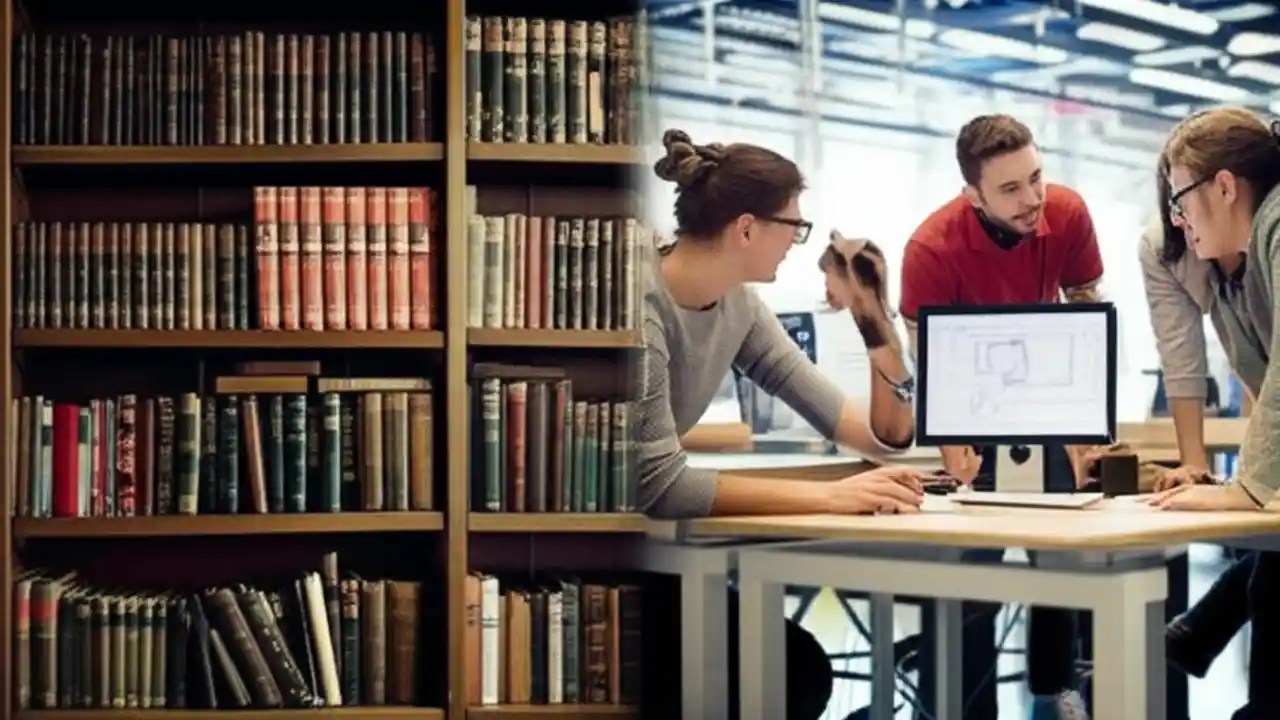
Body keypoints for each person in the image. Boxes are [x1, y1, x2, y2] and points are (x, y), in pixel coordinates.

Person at [639, 128, 927, 719]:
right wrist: (833, 497)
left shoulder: (740, 306)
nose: (798, 240)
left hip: (658, 558)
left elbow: (879, 436)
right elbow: (660, 485)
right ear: (746, 229)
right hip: (593, 562)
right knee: (792, 673)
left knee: (793, 668)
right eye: (793, 226)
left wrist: (875, 322)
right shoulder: (637, 306)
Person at [896, 114, 1104, 720]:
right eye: (1011, 189)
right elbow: (929, 360)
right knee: (972, 563)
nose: (1032, 198)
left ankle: (1054, 688)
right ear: (973, 196)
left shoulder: (1066, 213)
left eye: (1035, 178)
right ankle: (963, 703)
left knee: (1062, 541)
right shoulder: (931, 248)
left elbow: (1087, 314)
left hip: (1044, 393)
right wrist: (954, 448)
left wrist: (1085, 427)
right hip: (972, 398)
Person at [1145, 106, 1280, 720]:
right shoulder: (1245, 260)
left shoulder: (1276, 226)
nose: (1177, 217)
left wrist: (1249, 487)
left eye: (1182, 199)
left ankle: (1201, 634)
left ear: (1224, 187)